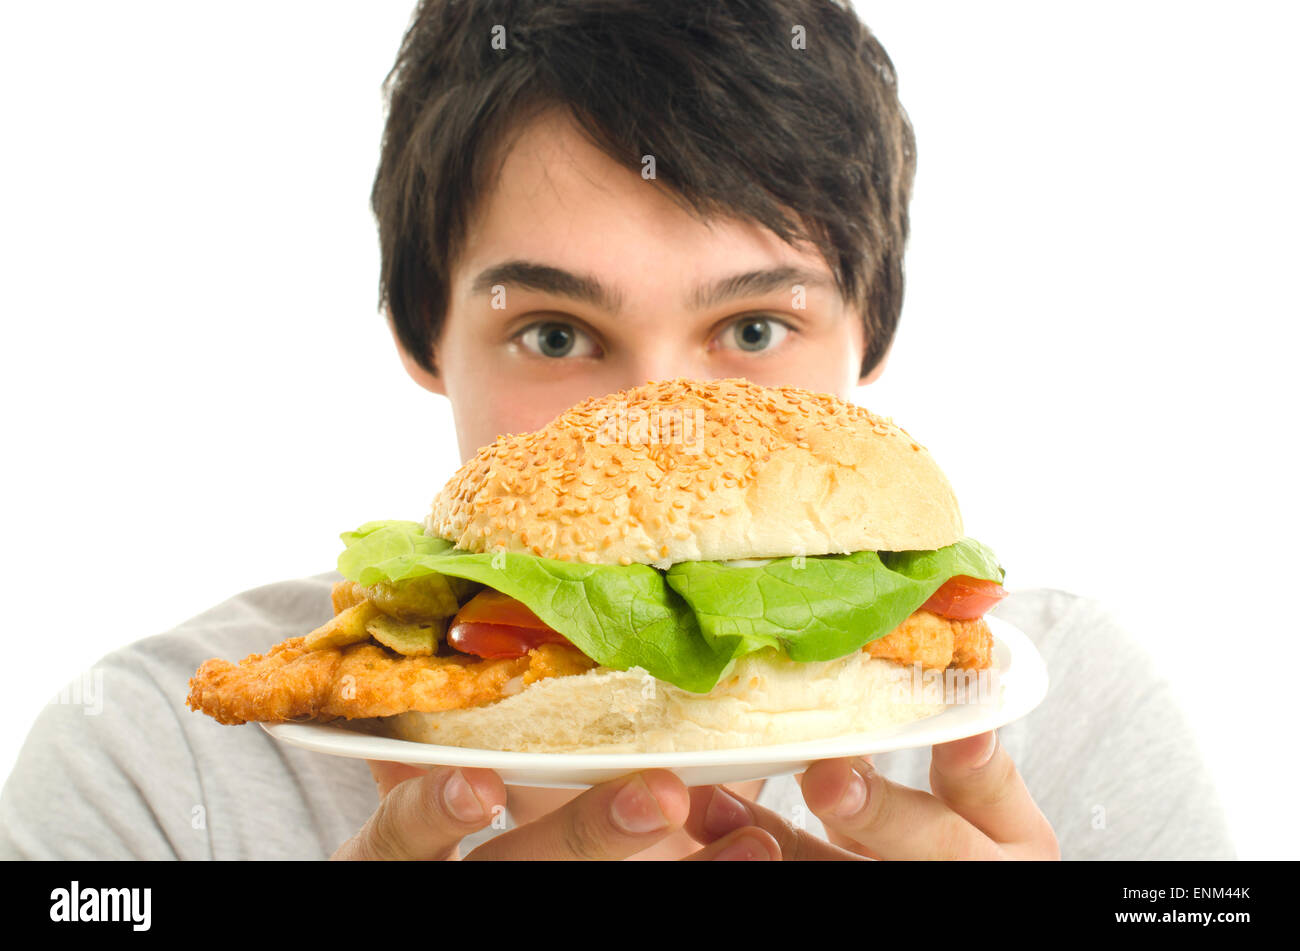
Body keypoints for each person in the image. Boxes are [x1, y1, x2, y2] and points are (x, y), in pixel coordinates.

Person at [0, 0, 1233, 860]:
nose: (654, 428)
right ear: (422, 334)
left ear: (875, 336)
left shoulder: (1065, 711)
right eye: (553, 332)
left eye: (754, 330)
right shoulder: (146, 768)